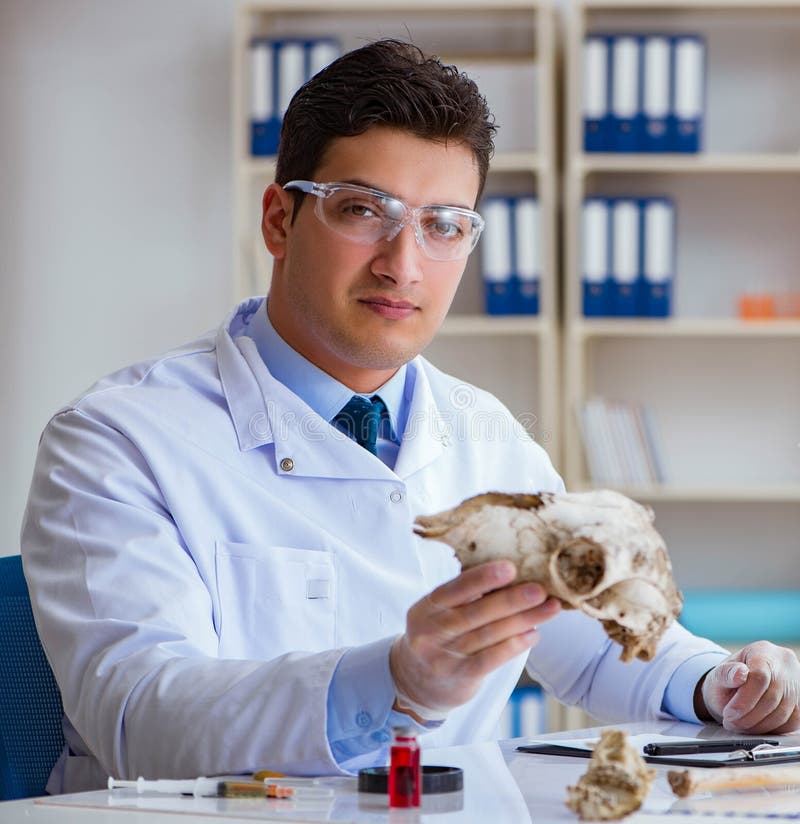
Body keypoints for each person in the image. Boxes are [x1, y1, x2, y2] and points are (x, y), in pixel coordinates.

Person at [22, 39, 799, 794]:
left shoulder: (487, 433)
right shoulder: (118, 438)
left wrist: (721, 685)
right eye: (364, 210)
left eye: (444, 225)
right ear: (278, 221)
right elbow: (134, 715)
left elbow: (601, 647)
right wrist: (393, 681)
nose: (403, 263)